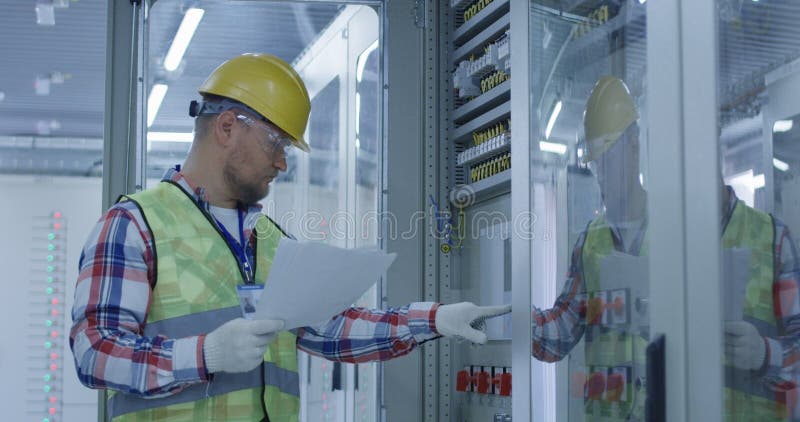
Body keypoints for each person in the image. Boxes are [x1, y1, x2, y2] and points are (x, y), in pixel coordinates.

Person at [69, 53, 510, 422]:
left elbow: (331, 329)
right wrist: (205, 354)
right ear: (227, 127)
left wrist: (432, 319)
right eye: (276, 143)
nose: (282, 163)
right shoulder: (135, 224)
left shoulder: (268, 238)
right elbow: (95, 352)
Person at [530, 75, 800, 421]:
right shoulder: (657, 238)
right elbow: (558, 333)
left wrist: (765, 353)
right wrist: (508, 317)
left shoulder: (773, 239)